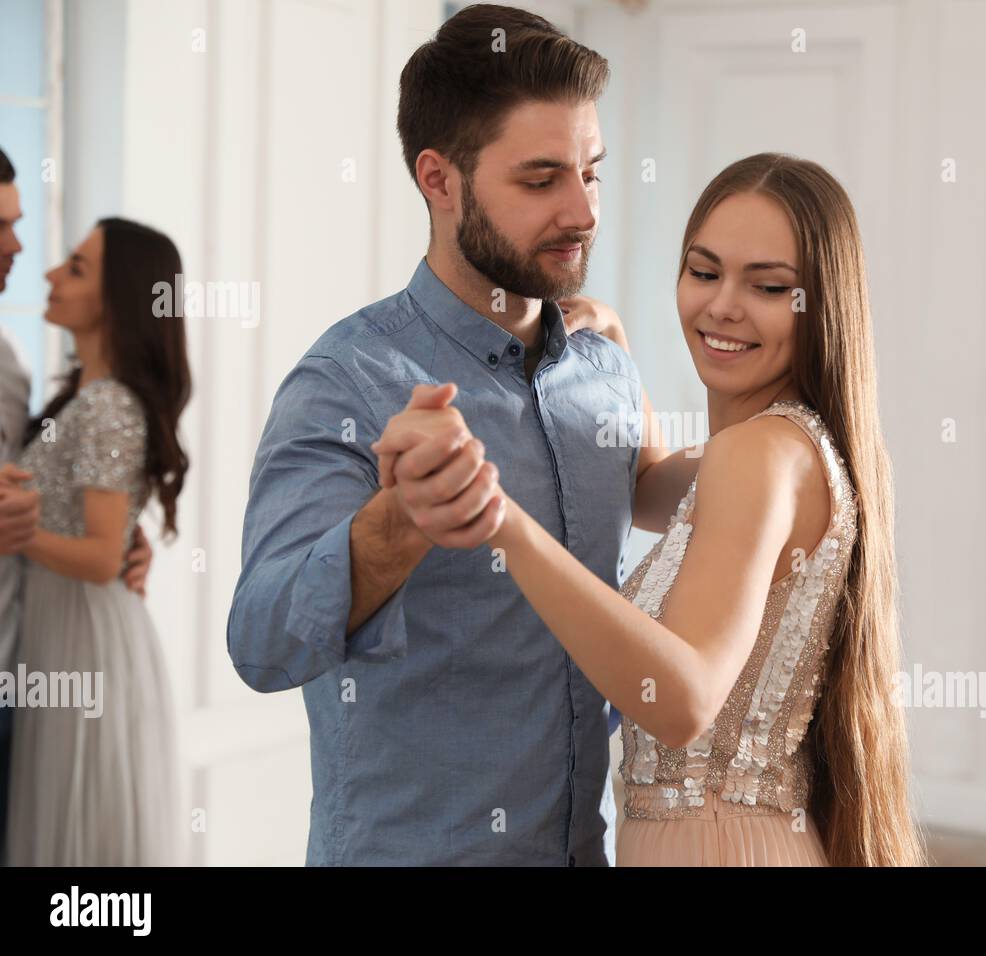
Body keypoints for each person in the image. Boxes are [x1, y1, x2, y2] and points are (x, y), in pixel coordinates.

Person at [227, 4, 695, 865]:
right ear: (438, 180)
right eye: (541, 179)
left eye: (592, 172)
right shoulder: (346, 381)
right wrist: (399, 521)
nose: (584, 210)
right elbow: (260, 641)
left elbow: (670, 490)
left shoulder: (604, 368)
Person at [406, 152, 925, 866]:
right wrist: (616, 355)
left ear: (822, 304)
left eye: (768, 286)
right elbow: (650, 486)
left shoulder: (758, 455)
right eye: (704, 272)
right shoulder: (791, 446)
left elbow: (682, 701)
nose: (722, 306)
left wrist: (500, 522)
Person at [4, 216, 189, 865]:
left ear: (119, 298)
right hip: (60, 629)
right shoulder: (74, 398)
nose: (50, 272)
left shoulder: (107, 404)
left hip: (82, 636)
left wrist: (17, 532)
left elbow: (104, 556)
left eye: (75, 267)